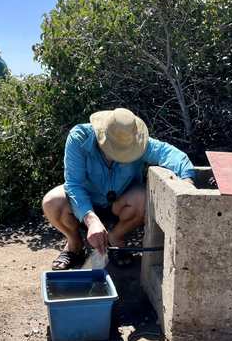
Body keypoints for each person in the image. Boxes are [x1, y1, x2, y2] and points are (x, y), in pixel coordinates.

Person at [42, 108, 195, 270]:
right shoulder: (80, 137)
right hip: (86, 203)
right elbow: (74, 184)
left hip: (121, 203)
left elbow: (170, 154)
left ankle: (116, 239)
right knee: (52, 202)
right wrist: (91, 220)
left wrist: (187, 180)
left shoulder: (138, 141)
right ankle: (74, 245)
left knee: (143, 198)